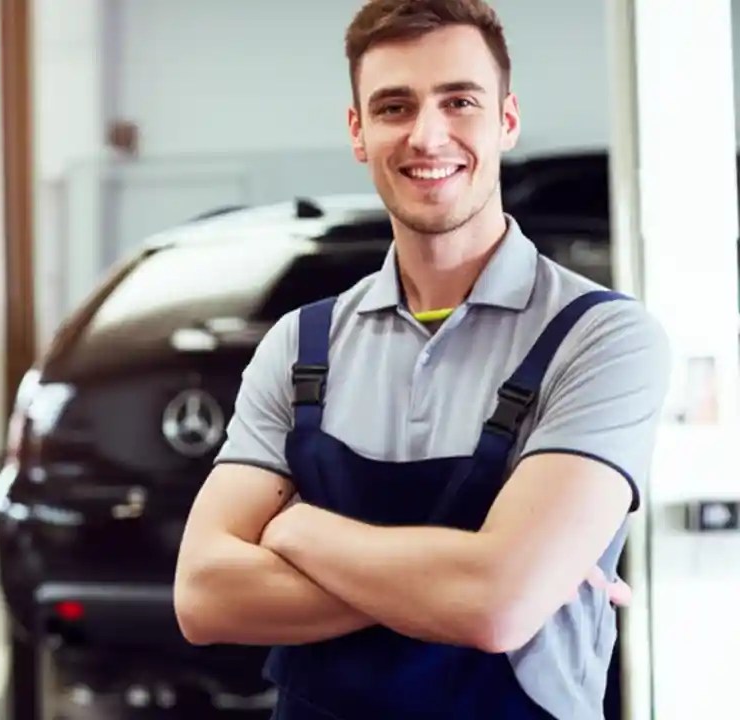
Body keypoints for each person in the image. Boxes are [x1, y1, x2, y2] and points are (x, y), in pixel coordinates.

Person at [172, 1, 671, 718]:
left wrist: (298, 530)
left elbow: (497, 608)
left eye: (459, 101)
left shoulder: (601, 339)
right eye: (394, 107)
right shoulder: (301, 345)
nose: (427, 135)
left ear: (506, 119)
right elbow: (203, 595)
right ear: (358, 131)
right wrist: (476, 574)